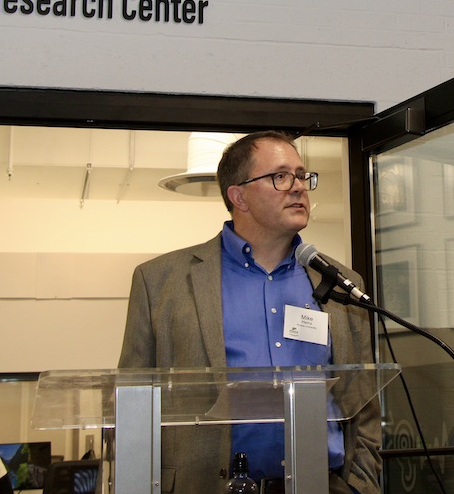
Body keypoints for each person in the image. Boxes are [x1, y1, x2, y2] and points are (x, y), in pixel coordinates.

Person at [119, 131, 379, 494]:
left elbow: (363, 406)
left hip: (322, 485)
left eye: (302, 176)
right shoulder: (160, 282)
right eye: (280, 176)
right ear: (238, 196)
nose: (298, 187)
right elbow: (132, 405)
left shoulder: (340, 283)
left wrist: (359, 486)